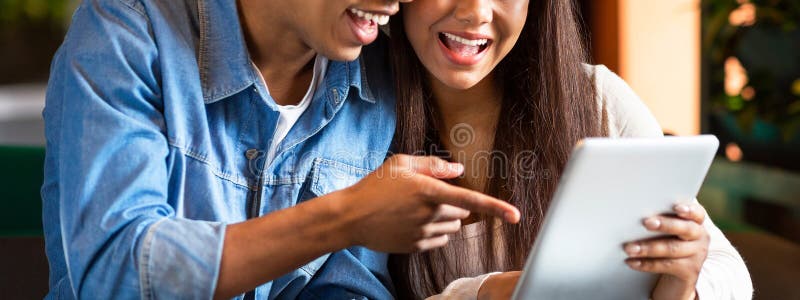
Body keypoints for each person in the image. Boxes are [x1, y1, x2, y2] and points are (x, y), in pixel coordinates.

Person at [41, 0, 522, 298]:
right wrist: (345, 217)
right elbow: (114, 273)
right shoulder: (125, 30)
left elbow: (343, 289)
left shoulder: (372, 81)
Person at [387, 0, 753, 299]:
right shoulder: (360, 119)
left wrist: (683, 287)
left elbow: (726, 269)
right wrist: (484, 293)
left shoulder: (595, 99)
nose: (477, 12)